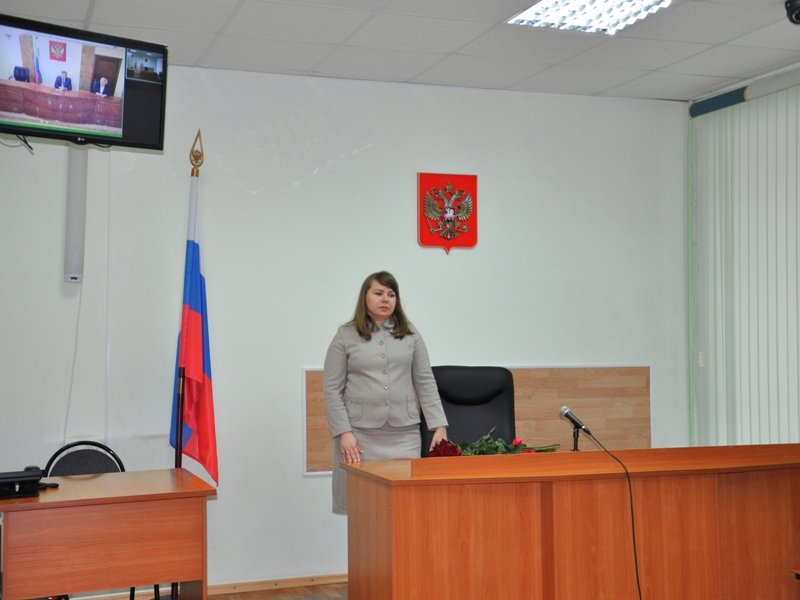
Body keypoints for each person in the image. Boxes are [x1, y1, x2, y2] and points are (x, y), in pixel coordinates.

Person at [323, 271, 449, 515]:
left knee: (404, 508)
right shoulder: (345, 336)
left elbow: (425, 381)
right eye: (379, 293)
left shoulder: (410, 334)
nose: (386, 299)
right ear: (365, 297)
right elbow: (331, 389)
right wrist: (343, 432)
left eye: (391, 295)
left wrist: (439, 426)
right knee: (365, 510)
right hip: (358, 439)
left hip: (404, 436)